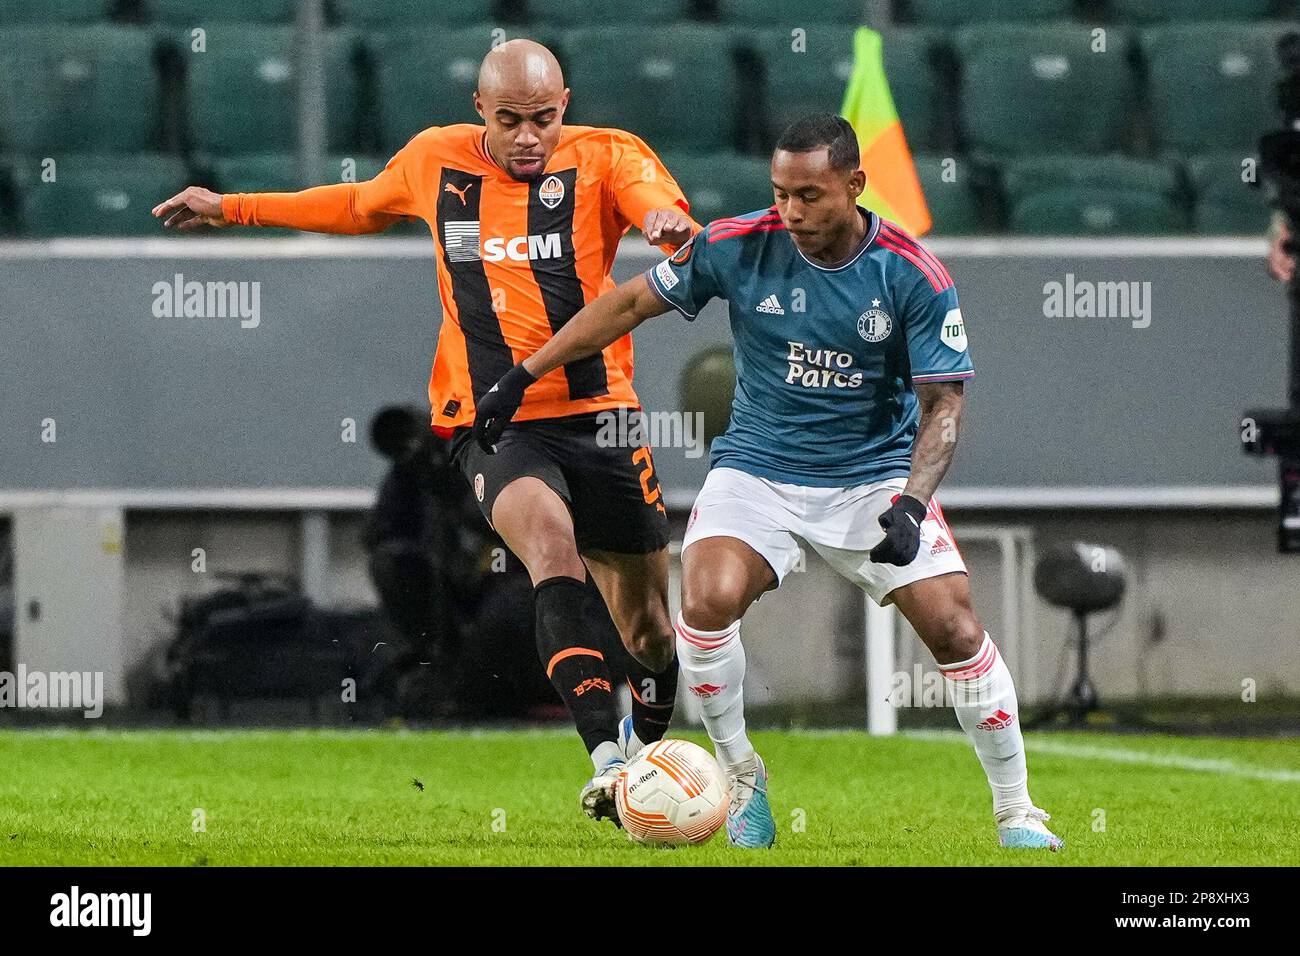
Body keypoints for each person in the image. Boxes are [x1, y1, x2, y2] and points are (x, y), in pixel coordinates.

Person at [475, 113, 1063, 851]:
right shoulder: (735, 245)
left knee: (954, 627)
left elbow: (944, 404)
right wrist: (523, 376)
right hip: (757, 468)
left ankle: (1018, 812)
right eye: (781, 193)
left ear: (855, 185)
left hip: (872, 477)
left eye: (811, 195)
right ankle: (744, 777)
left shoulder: (913, 274)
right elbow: (627, 304)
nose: (792, 212)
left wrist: (911, 504)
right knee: (707, 598)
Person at [153, 40, 699, 824]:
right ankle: (607, 760)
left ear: (565, 106)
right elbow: (356, 205)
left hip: (602, 415)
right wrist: (235, 206)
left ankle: (646, 752)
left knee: (647, 629)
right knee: (548, 547)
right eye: (509, 120)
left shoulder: (607, 157)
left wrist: (668, 225)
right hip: (494, 419)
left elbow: (653, 201)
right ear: (480, 110)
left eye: (543, 119)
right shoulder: (434, 160)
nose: (527, 137)